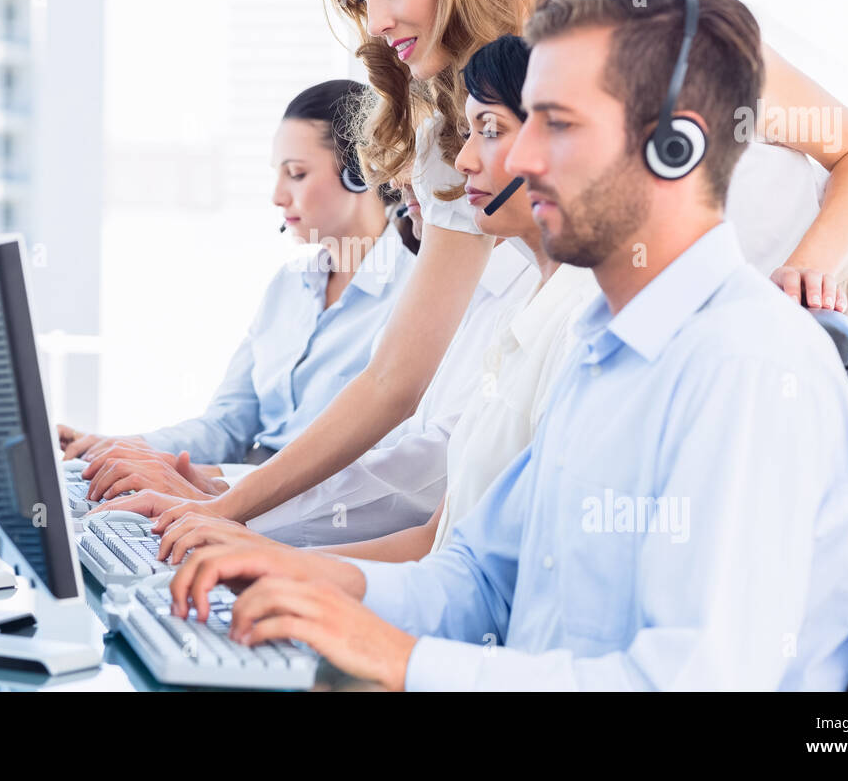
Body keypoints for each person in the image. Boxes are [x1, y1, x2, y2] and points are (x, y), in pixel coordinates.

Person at [86, 0, 848, 536]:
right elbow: (396, 382)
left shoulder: (648, 35)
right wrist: (226, 511)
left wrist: (802, 277)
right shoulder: (454, 130)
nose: (372, 20)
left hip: (828, 311)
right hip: (690, 359)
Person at [166, 0, 848, 692]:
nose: (525, 158)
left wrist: (398, 660)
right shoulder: (602, 353)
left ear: (675, 148)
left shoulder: (741, 367)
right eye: (526, 120)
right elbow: (477, 577)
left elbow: (689, 681)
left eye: (558, 124)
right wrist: (297, 573)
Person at [150, 35, 598, 562]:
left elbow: (421, 493)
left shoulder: (557, 316)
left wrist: (237, 516)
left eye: (485, 133)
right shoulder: (504, 308)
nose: (453, 163)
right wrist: (231, 516)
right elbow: (444, 540)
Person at [58, 80, 415, 501]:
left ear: (360, 171)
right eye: (277, 174)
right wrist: (116, 449)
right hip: (237, 497)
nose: (278, 196)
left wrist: (212, 479)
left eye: (297, 174)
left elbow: (383, 466)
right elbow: (228, 425)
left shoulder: (415, 292)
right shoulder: (289, 286)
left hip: (313, 517)